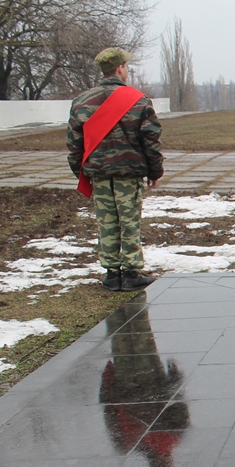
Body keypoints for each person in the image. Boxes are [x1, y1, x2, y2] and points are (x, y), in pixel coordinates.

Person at [67, 48, 162, 292]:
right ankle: (130, 272)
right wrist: (155, 172)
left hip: (98, 173)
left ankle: (111, 273)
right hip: (129, 172)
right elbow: (150, 140)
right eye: (126, 66)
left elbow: (75, 143)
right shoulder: (139, 101)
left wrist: (80, 170)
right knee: (129, 221)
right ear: (120, 68)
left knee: (106, 221)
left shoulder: (81, 102)